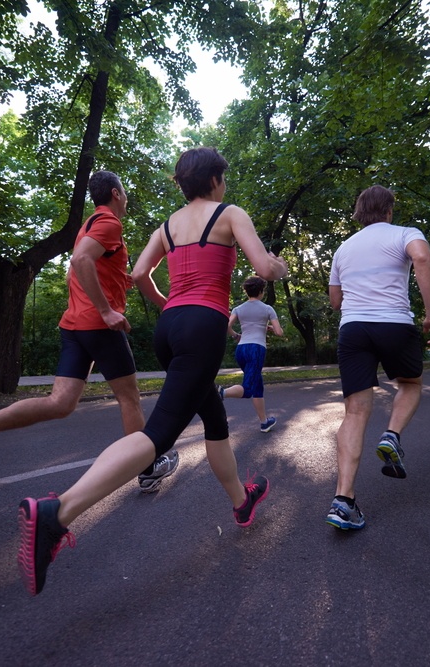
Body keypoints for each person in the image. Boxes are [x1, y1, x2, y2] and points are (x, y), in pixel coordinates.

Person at [16, 147, 288, 596]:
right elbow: (263, 267)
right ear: (216, 180)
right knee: (158, 435)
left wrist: (168, 306)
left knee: (214, 420)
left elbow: (139, 273)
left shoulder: (167, 226)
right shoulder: (230, 213)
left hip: (171, 329)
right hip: (202, 327)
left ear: (182, 184)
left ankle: (242, 501)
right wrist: (277, 265)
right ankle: (58, 512)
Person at [0, 171, 179, 494]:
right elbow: (81, 260)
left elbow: (94, 264)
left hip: (74, 326)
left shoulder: (88, 224)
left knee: (60, 403)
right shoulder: (108, 223)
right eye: (125, 193)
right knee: (129, 398)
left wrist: (126, 282)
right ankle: (147, 468)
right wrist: (105, 310)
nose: (126, 199)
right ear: (116, 193)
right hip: (98, 325)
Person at [325, 185, 430, 531]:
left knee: (355, 411)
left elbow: (336, 301)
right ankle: (391, 435)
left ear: (360, 213)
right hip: (394, 323)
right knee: (410, 384)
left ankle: (343, 500)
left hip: (353, 330)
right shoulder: (406, 234)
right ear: (389, 210)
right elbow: (421, 258)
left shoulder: (343, 248)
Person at [217, 276, 284, 432]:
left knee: (257, 386)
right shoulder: (268, 309)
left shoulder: (238, 309)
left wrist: (235, 335)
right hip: (256, 349)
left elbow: (226, 326)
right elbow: (280, 332)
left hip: (241, 349)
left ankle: (264, 422)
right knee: (247, 390)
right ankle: (221, 392)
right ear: (261, 291)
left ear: (247, 291)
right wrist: (272, 328)